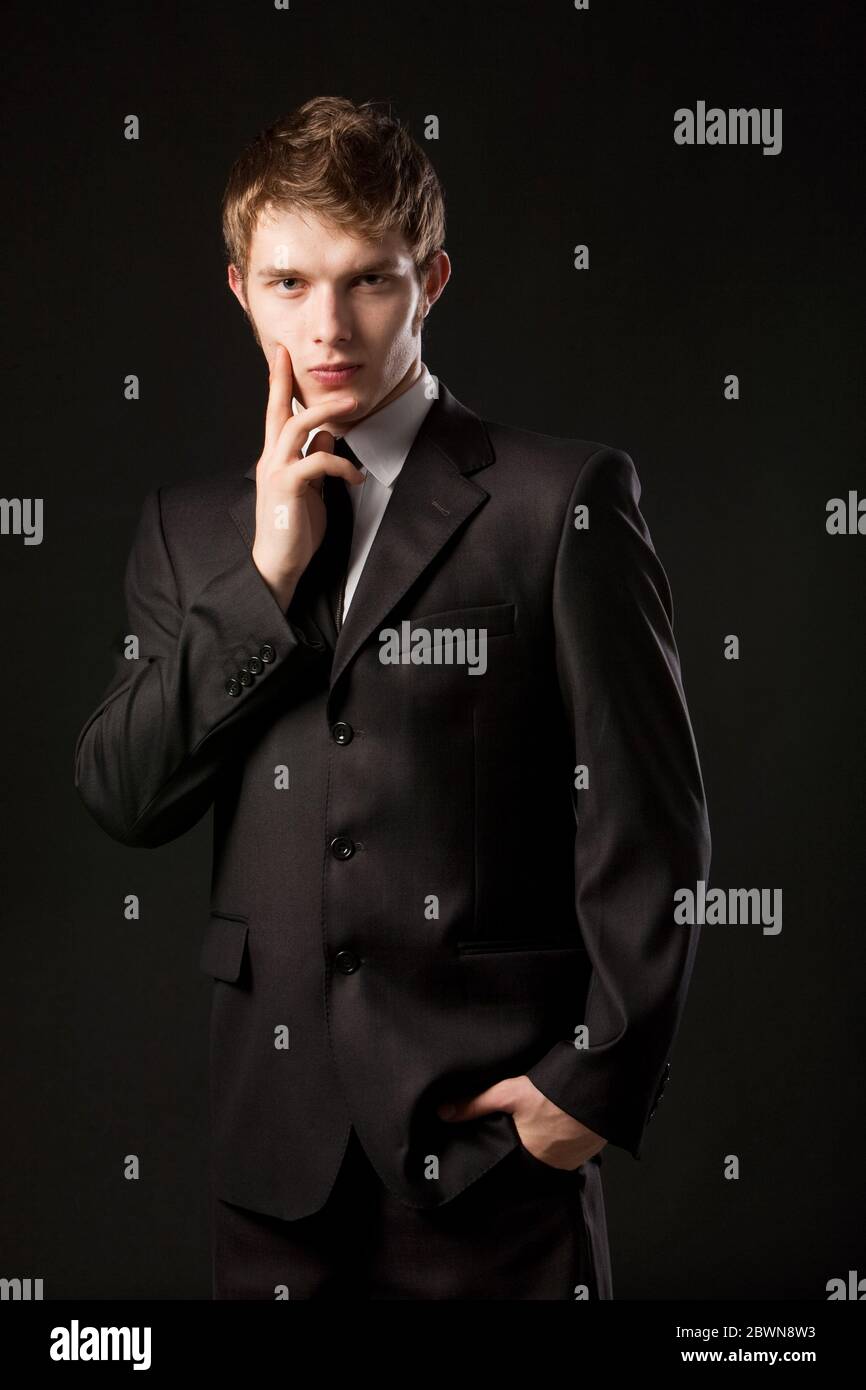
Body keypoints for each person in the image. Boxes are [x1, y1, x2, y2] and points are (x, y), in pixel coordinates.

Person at [74, 95, 711, 1300]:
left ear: (432, 281)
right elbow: (123, 792)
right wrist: (262, 577)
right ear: (239, 291)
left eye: (369, 280)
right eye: (289, 284)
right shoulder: (191, 530)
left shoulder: (557, 501)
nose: (328, 327)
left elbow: (648, 823)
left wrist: (589, 1091)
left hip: (490, 1154)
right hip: (273, 1163)